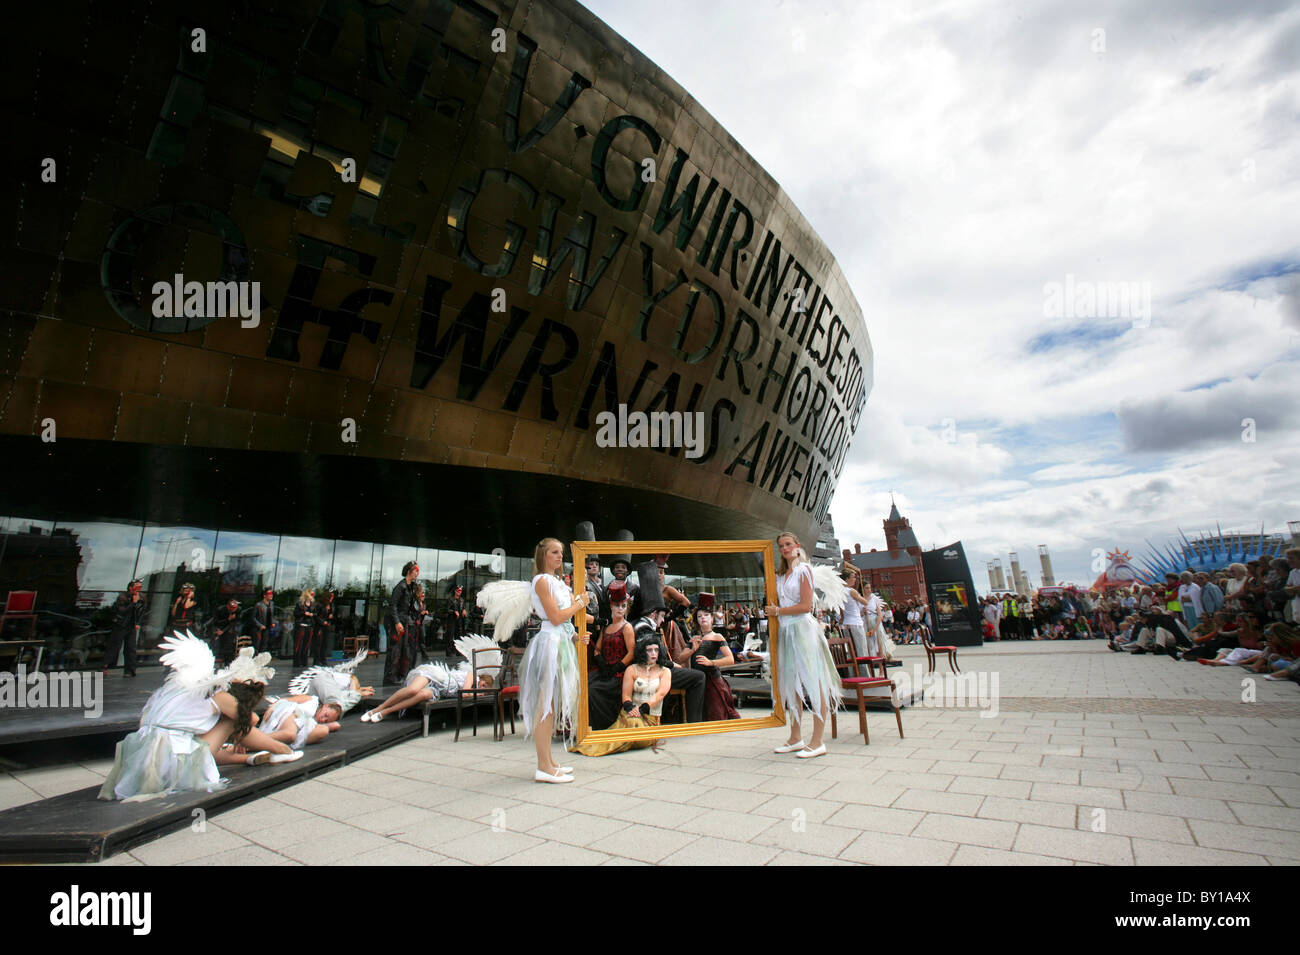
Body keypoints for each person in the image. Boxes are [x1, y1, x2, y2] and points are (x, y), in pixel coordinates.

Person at [98, 634, 301, 802]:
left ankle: (250, 757)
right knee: (232, 721)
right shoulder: (218, 693)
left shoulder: (179, 686)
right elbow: (251, 721)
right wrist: (235, 719)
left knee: (204, 738)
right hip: (170, 762)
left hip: (140, 757)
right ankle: (282, 750)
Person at [766, 532, 841, 759]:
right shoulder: (781, 575)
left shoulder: (804, 570)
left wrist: (778, 611)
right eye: (781, 546)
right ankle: (795, 737)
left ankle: (817, 740)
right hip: (786, 630)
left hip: (802, 629)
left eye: (788, 544)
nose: (785, 549)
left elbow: (806, 605)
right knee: (791, 682)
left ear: (798, 546)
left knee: (813, 679)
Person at [521, 538, 589, 783]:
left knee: (550, 704)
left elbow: (567, 619)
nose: (560, 557)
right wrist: (579, 604)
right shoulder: (541, 581)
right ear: (544, 556)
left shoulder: (556, 581)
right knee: (546, 704)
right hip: (550, 642)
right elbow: (557, 617)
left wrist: (578, 634)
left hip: (559, 639)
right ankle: (543, 766)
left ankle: (549, 761)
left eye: (561, 552)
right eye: (555, 552)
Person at [573, 634, 672, 756]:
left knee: (634, 725)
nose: (653, 653)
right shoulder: (632, 669)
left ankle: (596, 748)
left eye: (656, 650)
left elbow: (661, 694)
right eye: (649, 650)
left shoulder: (665, 671)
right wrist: (631, 709)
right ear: (642, 651)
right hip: (629, 714)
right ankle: (592, 747)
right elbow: (626, 695)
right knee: (630, 723)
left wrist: (642, 709)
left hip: (650, 720)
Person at [361, 659, 494, 722]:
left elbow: (464, 694)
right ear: (482, 679)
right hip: (436, 677)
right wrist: (475, 693)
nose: (482, 688)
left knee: (423, 694)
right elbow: (465, 692)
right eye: (484, 685)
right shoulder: (471, 675)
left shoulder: (472, 689)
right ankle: (378, 708)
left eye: (485, 689)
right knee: (413, 690)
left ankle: (386, 712)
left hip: (439, 691)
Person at [586, 579, 635, 730]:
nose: (620, 609)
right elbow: (598, 648)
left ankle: (603, 725)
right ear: (611, 607)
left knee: (593, 691)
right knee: (586, 685)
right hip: (603, 671)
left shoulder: (627, 628)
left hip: (619, 674)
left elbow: (632, 652)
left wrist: (617, 667)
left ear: (627, 608)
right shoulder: (606, 627)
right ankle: (589, 726)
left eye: (623, 606)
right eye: (616, 606)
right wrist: (599, 660)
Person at [689, 600, 739, 721]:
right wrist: (691, 649)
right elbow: (681, 658)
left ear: (712, 619)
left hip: (712, 679)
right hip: (697, 680)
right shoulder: (694, 638)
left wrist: (711, 662)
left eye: (706, 615)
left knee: (717, 714)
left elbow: (730, 659)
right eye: (699, 616)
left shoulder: (717, 636)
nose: (703, 618)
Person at [385, 561, 421, 685]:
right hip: (399, 622)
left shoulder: (411, 587)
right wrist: (397, 622)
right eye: (415, 571)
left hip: (406, 621)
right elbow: (393, 605)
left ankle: (401, 675)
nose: (417, 573)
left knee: (405, 650)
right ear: (409, 571)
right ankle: (390, 677)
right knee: (395, 650)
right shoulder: (401, 587)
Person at [261, 694, 343, 749]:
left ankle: (268, 741)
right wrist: (271, 708)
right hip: (291, 713)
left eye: (326, 721)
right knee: (290, 734)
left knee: (323, 730)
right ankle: (257, 742)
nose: (323, 719)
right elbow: (285, 700)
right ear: (326, 706)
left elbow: (336, 725)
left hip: (299, 725)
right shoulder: (312, 701)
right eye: (326, 715)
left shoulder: (313, 723)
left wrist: (327, 725)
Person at [103, 579, 147, 677]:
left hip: (132, 625)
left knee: (130, 648)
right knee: (114, 646)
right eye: (136, 587)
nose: (137, 590)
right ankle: (105, 666)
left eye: (139, 588)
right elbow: (122, 611)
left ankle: (130, 670)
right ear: (130, 588)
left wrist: (138, 622)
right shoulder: (123, 597)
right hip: (121, 625)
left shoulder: (142, 597)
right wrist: (133, 603)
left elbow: (142, 611)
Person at [840, 569, 869, 658]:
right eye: (853, 577)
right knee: (861, 650)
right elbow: (865, 602)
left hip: (846, 622)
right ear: (847, 579)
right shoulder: (851, 591)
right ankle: (863, 671)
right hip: (855, 623)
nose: (855, 579)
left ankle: (852, 671)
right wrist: (863, 595)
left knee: (850, 651)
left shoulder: (839, 591)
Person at [211, 598, 242, 665]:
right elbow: (216, 622)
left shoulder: (238, 610)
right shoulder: (220, 610)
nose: (234, 609)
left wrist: (224, 630)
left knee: (229, 645)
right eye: (233, 607)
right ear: (228, 606)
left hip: (229, 629)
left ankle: (228, 662)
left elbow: (234, 622)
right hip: (219, 627)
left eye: (235, 607)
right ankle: (218, 659)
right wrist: (228, 619)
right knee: (217, 644)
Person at [292, 589, 315, 667]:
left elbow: (315, 613)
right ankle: (297, 662)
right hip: (301, 625)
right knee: (298, 644)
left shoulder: (312, 604)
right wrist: (304, 613)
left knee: (306, 644)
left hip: (309, 625)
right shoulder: (300, 604)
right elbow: (295, 613)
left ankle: (304, 661)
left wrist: (312, 614)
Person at [312, 589, 335, 665]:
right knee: (318, 643)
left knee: (325, 644)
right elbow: (315, 616)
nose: (332, 599)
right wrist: (322, 621)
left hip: (326, 626)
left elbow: (330, 614)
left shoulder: (331, 605)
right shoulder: (320, 605)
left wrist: (330, 616)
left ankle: (323, 659)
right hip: (319, 626)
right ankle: (317, 660)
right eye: (331, 597)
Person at [253, 588, 275, 654]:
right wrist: (259, 625)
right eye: (269, 594)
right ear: (264, 595)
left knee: (265, 645)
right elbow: (253, 617)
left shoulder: (272, 604)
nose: (271, 595)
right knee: (257, 645)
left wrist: (272, 622)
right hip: (259, 628)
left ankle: (262, 660)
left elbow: (271, 615)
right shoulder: (258, 605)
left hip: (268, 627)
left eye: (272, 594)